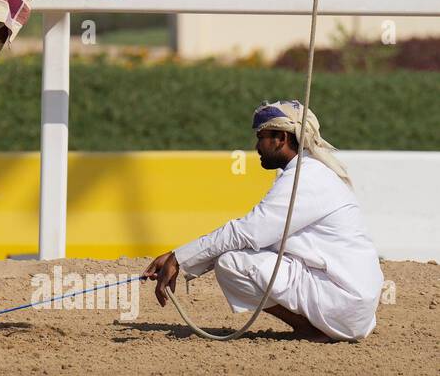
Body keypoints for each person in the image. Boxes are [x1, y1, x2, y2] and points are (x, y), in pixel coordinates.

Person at [143, 100, 384, 341]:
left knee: (232, 262)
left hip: (343, 301)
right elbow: (253, 236)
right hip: (349, 302)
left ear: (280, 138)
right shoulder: (308, 173)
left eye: (261, 137)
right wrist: (183, 259)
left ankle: (311, 330)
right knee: (238, 252)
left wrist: (179, 258)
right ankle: (318, 327)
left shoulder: (306, 177)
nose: (257, 146)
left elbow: (247, 232)